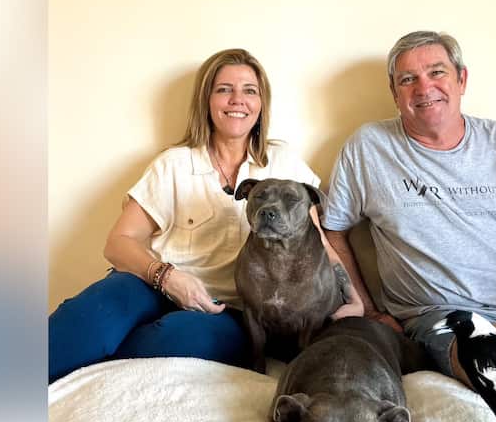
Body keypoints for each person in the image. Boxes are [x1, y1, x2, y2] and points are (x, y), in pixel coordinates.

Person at [49, 48, 361, 384]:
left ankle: (96, 358)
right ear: (207, 100)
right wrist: (167, 277)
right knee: (94, 313)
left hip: (223, 310)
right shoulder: (174, 163)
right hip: (152, 283)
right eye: (224, 89)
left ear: (261, 103)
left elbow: (317, 242)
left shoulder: (283, 162)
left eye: (249, 90)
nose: (237, 100)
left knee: (179, 337)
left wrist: (354, 297)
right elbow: (118, 243)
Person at [321, 31, 496, 392]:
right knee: (495, 345)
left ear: (461, 79)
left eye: (437, 72)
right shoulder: (368, 149)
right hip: (443, 321)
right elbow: (333, 230)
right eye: (408, 79)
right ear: (395, 92)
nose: (424, 87)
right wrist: (367, 308)